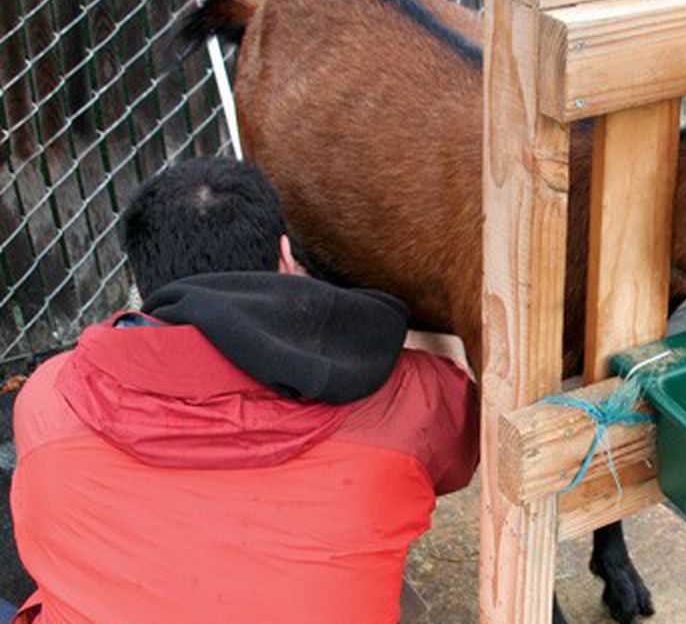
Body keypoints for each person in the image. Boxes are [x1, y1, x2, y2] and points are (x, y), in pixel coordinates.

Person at [9, 158, 478, 623]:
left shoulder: (49, 398)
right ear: (286, 257)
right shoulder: (412, 400)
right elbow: (462, 453)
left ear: (140, 281)